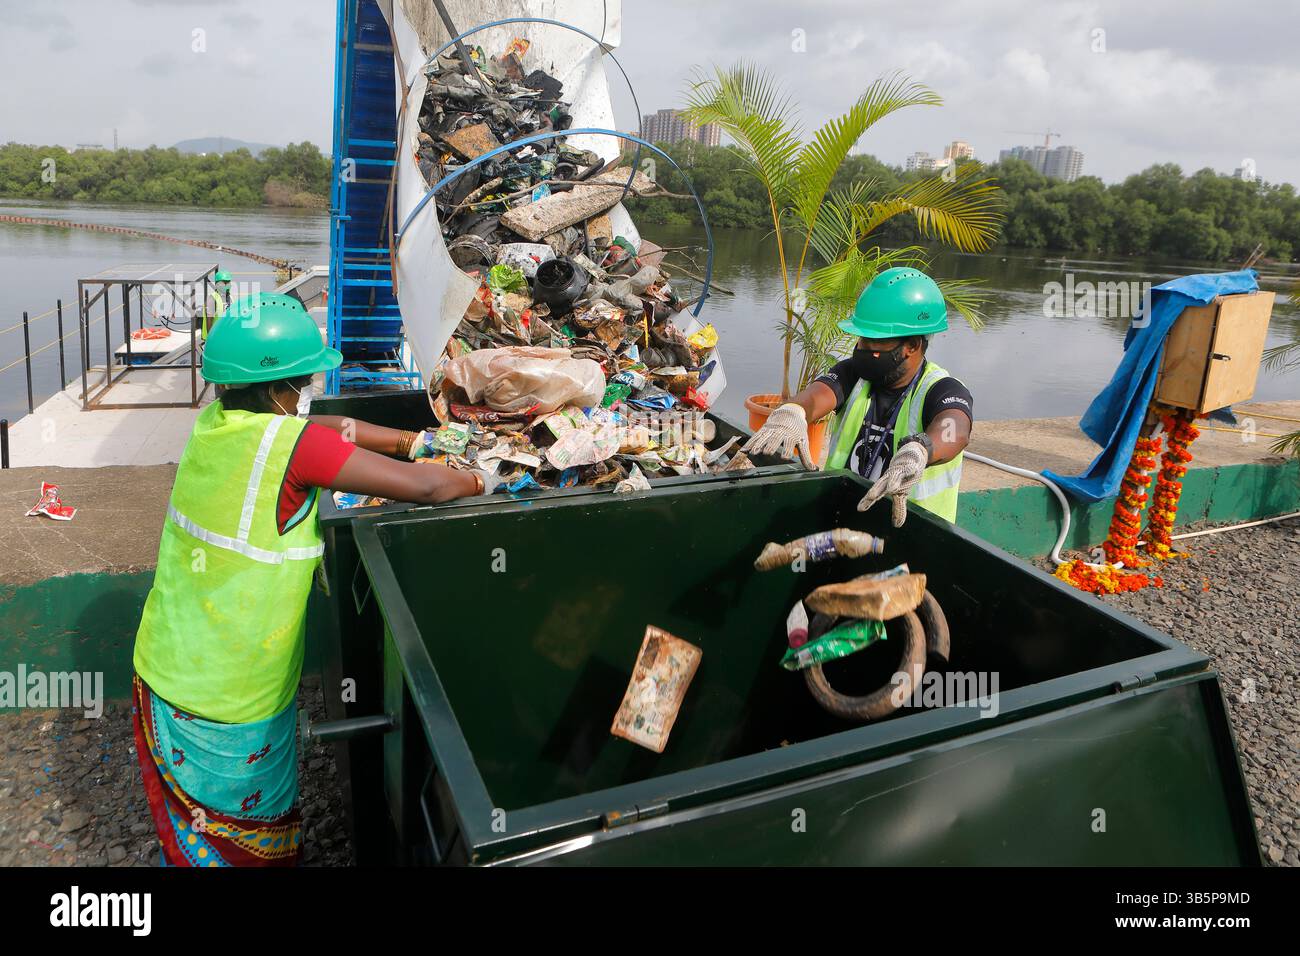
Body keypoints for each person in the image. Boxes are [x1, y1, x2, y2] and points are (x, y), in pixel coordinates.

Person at [131, 293, 492, 866]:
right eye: (300, 384)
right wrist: (481, 477)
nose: (304, 397)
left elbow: (330, 426)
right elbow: (428, 489)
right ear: (278, 390)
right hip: (226, 694)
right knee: (247, 845)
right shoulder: (294, 450)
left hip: (165, 665)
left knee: (200, 836)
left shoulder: (218, 424)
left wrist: (406, 441)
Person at [744, 267, 973, 525]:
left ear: (912, 346)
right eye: (862, 338)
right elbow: (817, 395)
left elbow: (955, 429)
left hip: (911, 534)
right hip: (842, 518)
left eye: (875, 341)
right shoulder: (855, 374)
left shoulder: (942, 388)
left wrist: (921, 450)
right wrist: (793, 411)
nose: (862, 348)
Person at [200, 269, 232, 340]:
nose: (227, 284)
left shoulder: (229, 297)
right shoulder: (212, 299)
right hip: (215, 337)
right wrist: (211, 339)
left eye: (228, 282)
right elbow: (209, 321)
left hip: (224, 335)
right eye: (224, 282)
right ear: (217, 284)